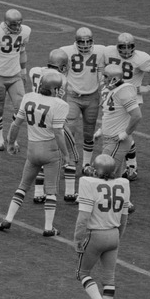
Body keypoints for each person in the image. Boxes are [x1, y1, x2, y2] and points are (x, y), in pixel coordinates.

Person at [0, 70, 70, 237]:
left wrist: (11, 143)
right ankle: (48, 227)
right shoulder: (60, 104)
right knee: (51, 191)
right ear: (54, 89)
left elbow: (16, 124)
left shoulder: (29, 97)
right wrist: (66, 155)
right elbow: (58, 133)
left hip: (32, 149)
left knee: (23, 187)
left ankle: (8, 219)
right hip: (50, 151)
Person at [73, 154, 132, 299]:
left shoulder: (89, 184)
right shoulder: (123, 184)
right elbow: (124, 218)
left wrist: (77, 239)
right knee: (109, 278)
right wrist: (118, 237)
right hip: (113, 234)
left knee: (82, 273)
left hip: (95, 235)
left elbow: (83, 218)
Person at [103, 32, 150, 180]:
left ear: (133, 47)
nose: (125, 50)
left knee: (126, 131)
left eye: (128, 47)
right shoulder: (108, 52)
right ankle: (130, 166)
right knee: (123, 132)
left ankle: (131, 166)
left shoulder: (141, 59)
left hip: (131, 97)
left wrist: (147, 88)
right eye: (122, 47)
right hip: (114, 95)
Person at [56, 28, 107, 200]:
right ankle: (69, 161)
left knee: (89, 132)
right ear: (75, 41)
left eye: (88, 41)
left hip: (92, 96)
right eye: (81, 42)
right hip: (73, 96)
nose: (85, 45)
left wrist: (103, 89)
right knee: (69, 130)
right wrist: (64, 87)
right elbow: (60, 72)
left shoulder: (100, 51)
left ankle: (86, 164)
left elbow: (102, 72)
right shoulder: (66, 52)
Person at [27, 49, 75, 204]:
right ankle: (69, 192)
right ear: (61, 67)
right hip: (53, 117)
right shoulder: (61, 79)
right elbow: (58, 100)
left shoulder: (34, 71)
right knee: (69, 154)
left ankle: (38, 192)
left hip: (36, 119)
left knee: (41, 157)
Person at [0, 9, 32, 151]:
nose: (17, 28)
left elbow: (22, 52)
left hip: (15, 74)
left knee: (20, 109)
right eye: (14, 25)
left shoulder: (25, 31)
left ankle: (12, 138)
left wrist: (23, 72)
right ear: (6, 23)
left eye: (19, 24)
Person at [93, 64, 141, 177]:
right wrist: (101, 130)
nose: (103, 79)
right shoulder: (106, 89)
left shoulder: (124, 91)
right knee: (113, 178)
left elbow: (137, 115)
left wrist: (125, 134)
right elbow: (109, 114)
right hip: (108, 138)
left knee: (102, 173)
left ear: (114, 79)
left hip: (117, 141)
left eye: (105, 76)